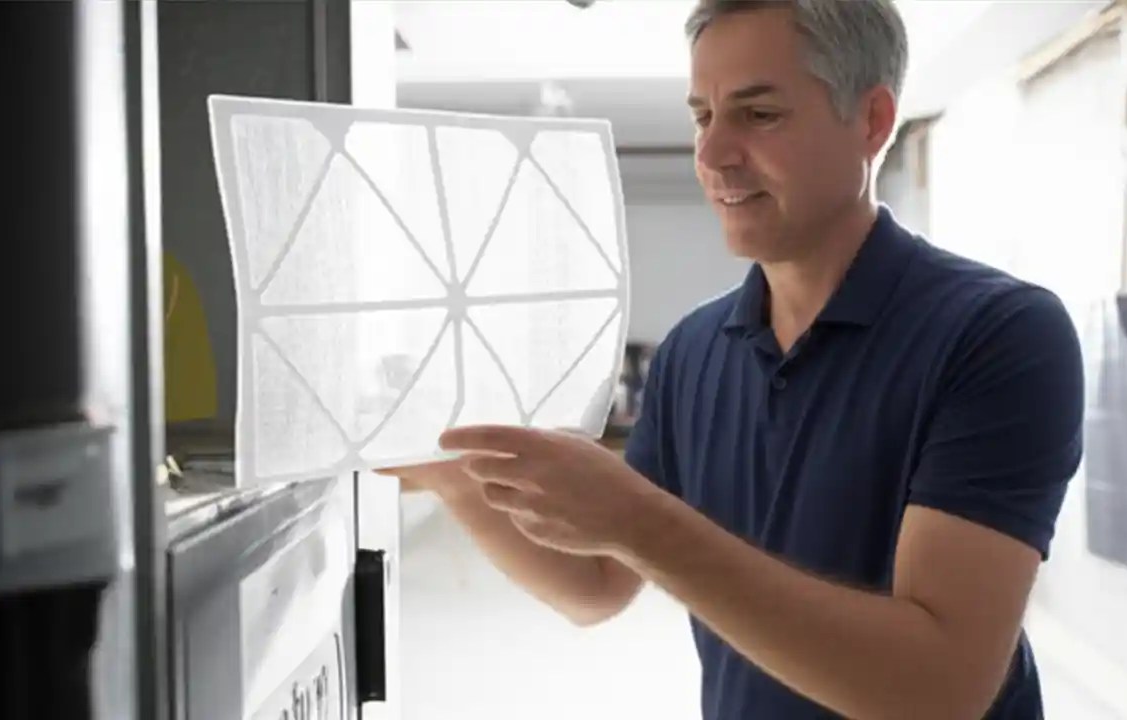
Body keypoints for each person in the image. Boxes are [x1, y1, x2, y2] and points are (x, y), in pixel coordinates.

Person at [382, 1, 1085, 718]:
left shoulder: (998, 334)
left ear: (871, 121)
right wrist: (454, 477)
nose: (712, 154)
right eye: (703, 117)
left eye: (759, 115)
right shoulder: (693, 349)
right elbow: (596, 584)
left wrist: (638, 520)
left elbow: (938, 691)